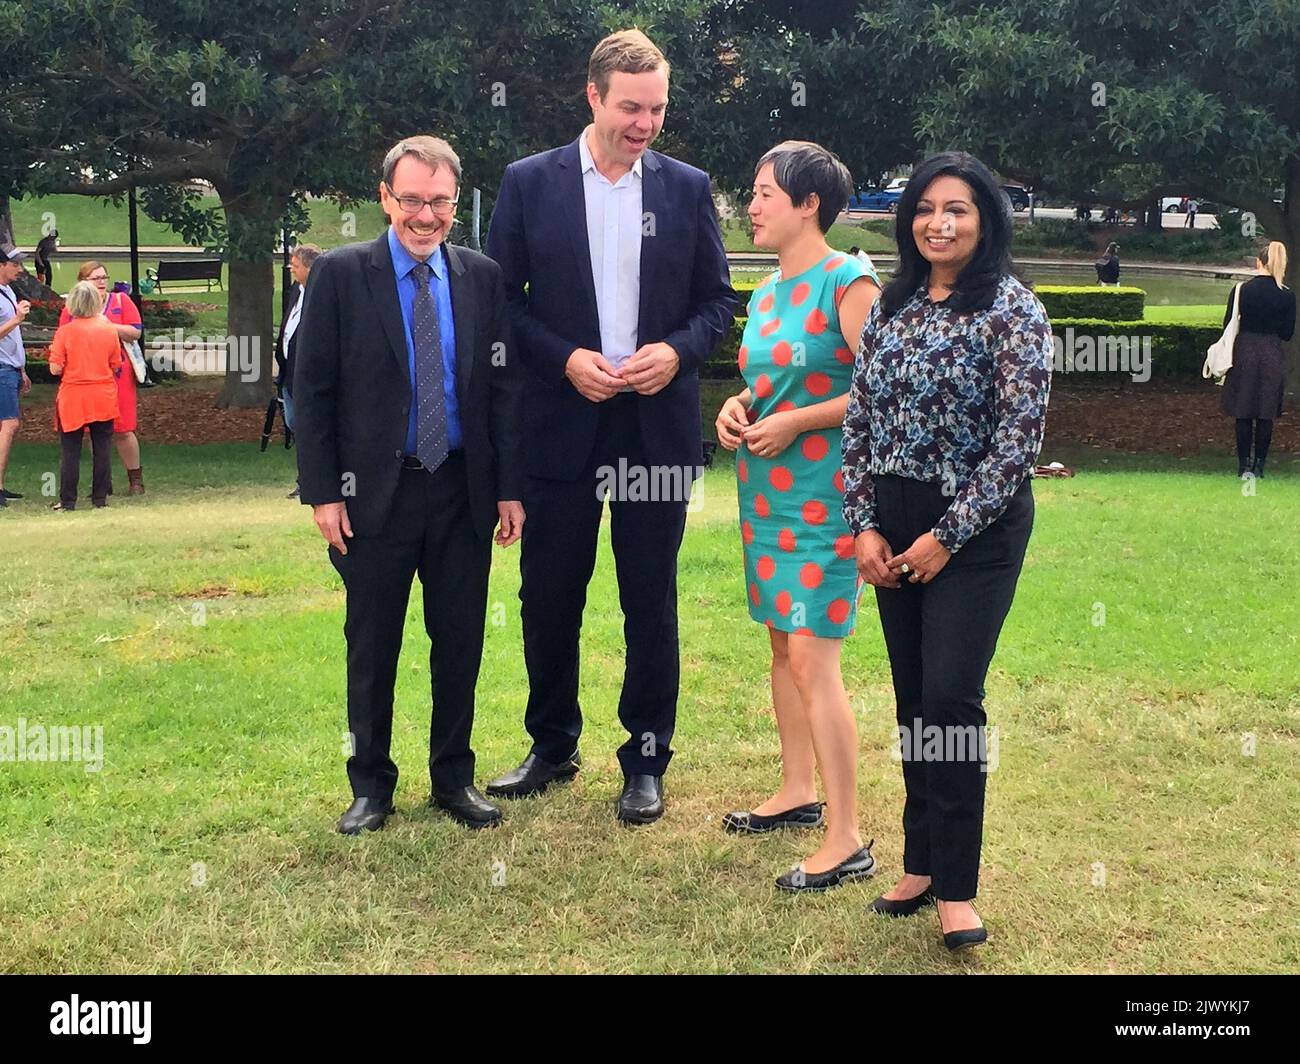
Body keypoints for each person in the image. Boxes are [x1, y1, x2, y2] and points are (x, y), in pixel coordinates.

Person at [484, 29, 736, 825]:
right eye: (631, 107)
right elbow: (502, 306)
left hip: (655, 430)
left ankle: (647, 758)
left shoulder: (688, 189)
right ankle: (552, 745)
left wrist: (678, 350)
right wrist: (564, 360)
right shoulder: (529, 184)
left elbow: (718, 303)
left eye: (658, 107)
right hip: (560, 425)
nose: (646, 123)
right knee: (549, 595)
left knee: (649, 599)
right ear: (592, 97)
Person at [841, 151, 1052, 951]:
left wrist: (944, 537)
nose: (940, 222)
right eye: (926, 208)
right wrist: (864, 524)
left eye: (957, 209)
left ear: (985, 219)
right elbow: (858, 421)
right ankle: (921, 861)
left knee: (952, 699)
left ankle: (958, 888)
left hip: (978, 528)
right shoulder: (892, 305)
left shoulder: (1011, 310)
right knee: (911, 698)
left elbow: (1015, 444)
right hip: (891, 517)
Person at [294, 135, 525, 835]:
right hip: (373, 496)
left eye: (440, 202)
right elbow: (314, 391)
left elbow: (503, 392)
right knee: (372, 644)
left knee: (458, 640)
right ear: (386, 197)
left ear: (457, 202)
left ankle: (453, 777)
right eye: (413, 200)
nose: (426, 216)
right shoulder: (338, 274)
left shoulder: (482, 277)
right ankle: (370, 786)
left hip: (461, 490)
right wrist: (324, 493)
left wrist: (508, 487)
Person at [714, 142, 881, 891]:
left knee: (816, 659)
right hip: (766, 494)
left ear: (809, 203)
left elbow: (879, 392)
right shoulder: (770, 288)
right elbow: (764, 381)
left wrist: (800, 422)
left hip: (826, 496)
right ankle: (796, 792)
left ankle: (846, 837)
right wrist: (739, 406)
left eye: (762, 194)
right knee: (782, 649)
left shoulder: (849, 280)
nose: (750, 206)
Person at [58, 262, 146, 496]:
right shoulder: (71, 308)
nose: (101, 282)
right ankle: (102, 483)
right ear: (82, 281)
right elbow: (64, 339)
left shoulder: (120, 302)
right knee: (91, 429)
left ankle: (135, 479)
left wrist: (108, 327)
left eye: (104, 277)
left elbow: (136, 331)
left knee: (123, 428)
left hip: (117, 373)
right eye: (95, 278)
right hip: (84, 375)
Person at [1221, 241, 1294, 478]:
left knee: (1243, 411)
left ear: (1258, 262)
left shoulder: (1242, 290)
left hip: (1245, 350)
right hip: (1271, 351)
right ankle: (1260, 465)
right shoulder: (1287, 295)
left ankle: (1243, 465)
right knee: (1265, 412)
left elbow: (1227, 325)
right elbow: (1287, 333)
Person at [48, 281, 122, 510]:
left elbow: (55, 369)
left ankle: (67, 500)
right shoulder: (109, 330)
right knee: (102, 448)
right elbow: (115, 364)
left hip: (73, 396)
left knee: (70, 450)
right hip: (103, 393)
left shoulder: (65, 332)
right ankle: (100, 499)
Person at [275, 243, 321, 498]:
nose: (291, 269)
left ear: (310, 268)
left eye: (296, 265)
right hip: (288, 371)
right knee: (295, 423)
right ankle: (305, 477)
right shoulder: (296, 290)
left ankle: (308, 480)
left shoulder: (322, 292)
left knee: (308, 427)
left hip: (308, 375)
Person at [0, 246, 33, 507]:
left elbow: (12, 338)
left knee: (7, 426)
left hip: (10, 369)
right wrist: (17, 319)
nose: (19, 269)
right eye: (14, 265)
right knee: (9, 425)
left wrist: (21, 369)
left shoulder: (8, 291)